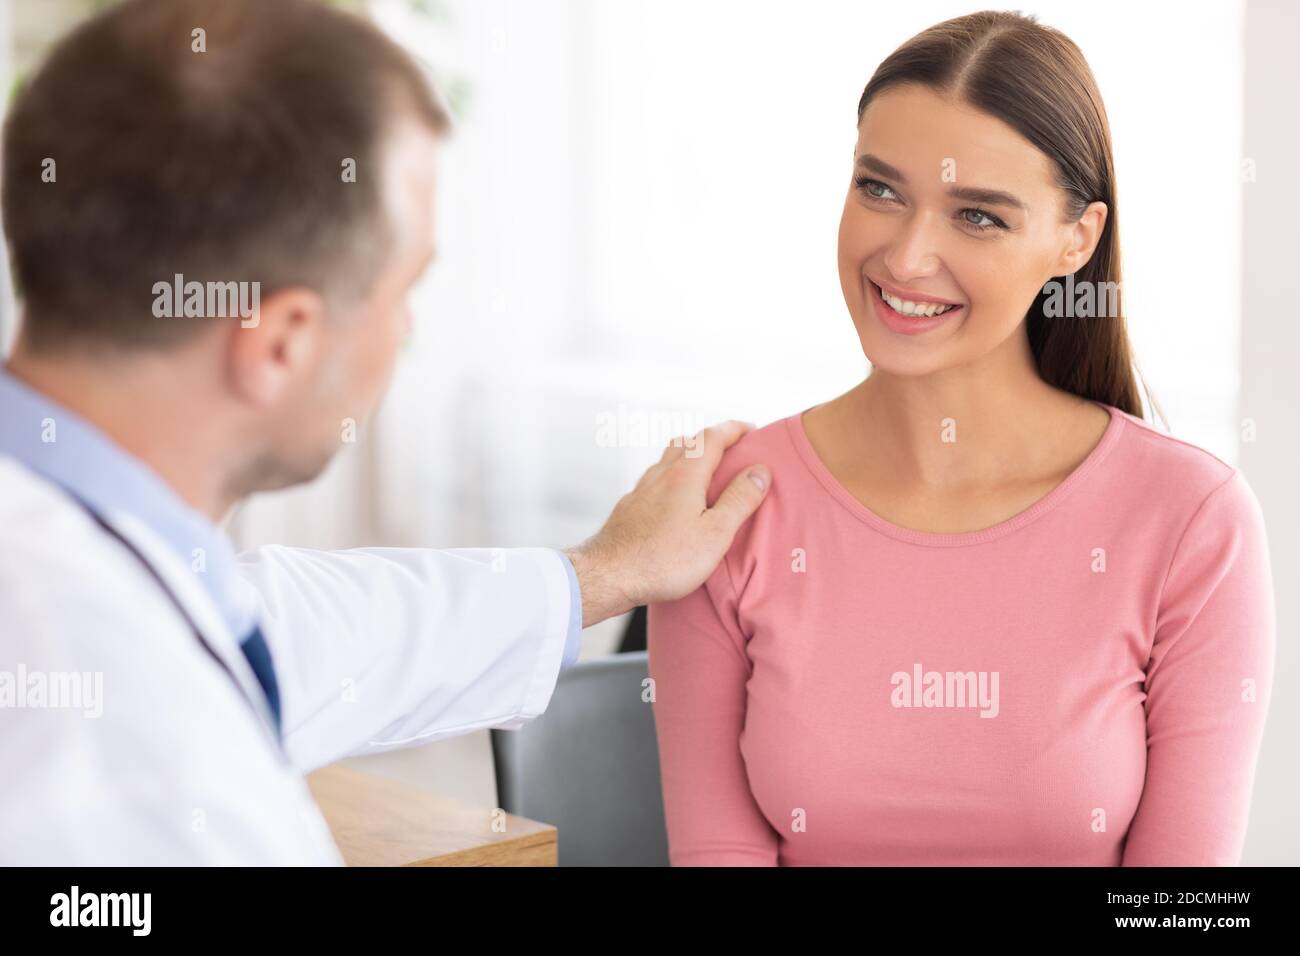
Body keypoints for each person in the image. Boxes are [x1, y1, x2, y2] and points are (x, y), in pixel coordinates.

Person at [0, 0, 772, 864]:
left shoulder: (85, 544)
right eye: (401, 291)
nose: (403, 334)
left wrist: (604, 572)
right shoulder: (104, 725)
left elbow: (293, 632)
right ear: (281, 342)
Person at [647, 11, 1275, 866]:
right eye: (880, 189)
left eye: (978, 216)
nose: (905, 259)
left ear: (1075, 241)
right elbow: (716, 851)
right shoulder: (727, 508)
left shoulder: (1192, 521)